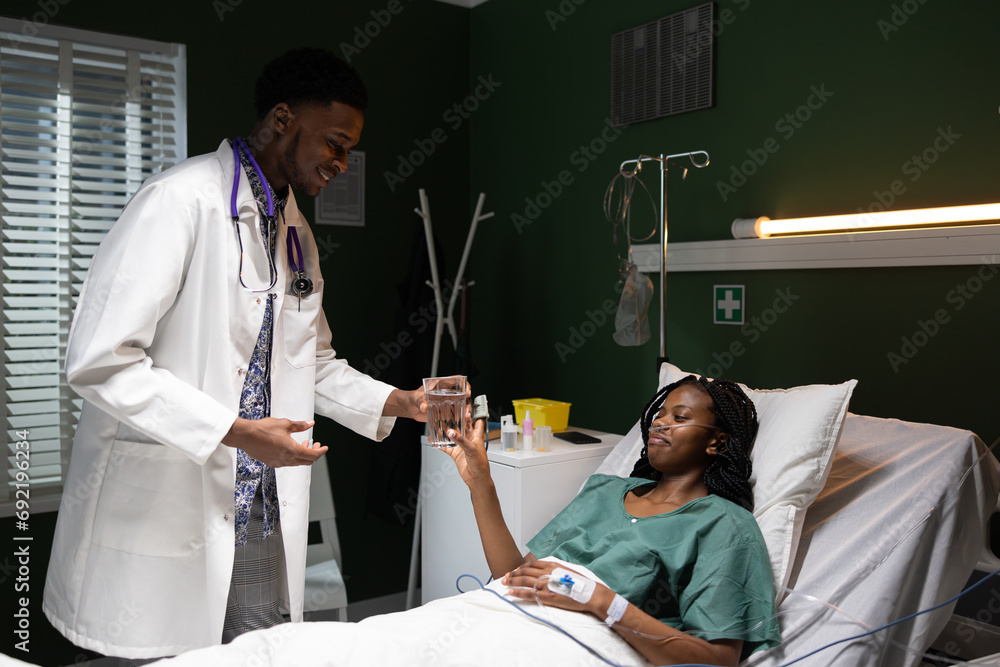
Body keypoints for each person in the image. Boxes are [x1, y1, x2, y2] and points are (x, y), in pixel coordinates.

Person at [42, 48, 433, 661]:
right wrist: (234, 431)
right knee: (160, 654)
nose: (342, 162)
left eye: (349, 149)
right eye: (334, 142)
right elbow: (101, 358)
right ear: (283, 119)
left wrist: (401, 401)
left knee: (259, 654)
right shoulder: (178, 201)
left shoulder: (294, 232)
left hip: (259, 505)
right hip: (167, 497)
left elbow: (315, 364)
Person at [444, 375, 781, 666]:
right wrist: (481, 484)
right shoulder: (605, 489)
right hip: (507, 620)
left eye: (680, 417)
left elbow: (718, 659)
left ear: (716, 442)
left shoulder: (725, 524)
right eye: (659, 414)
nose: (660, 423)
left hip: (574, 648)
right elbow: (513, 578)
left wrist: (601, 600)